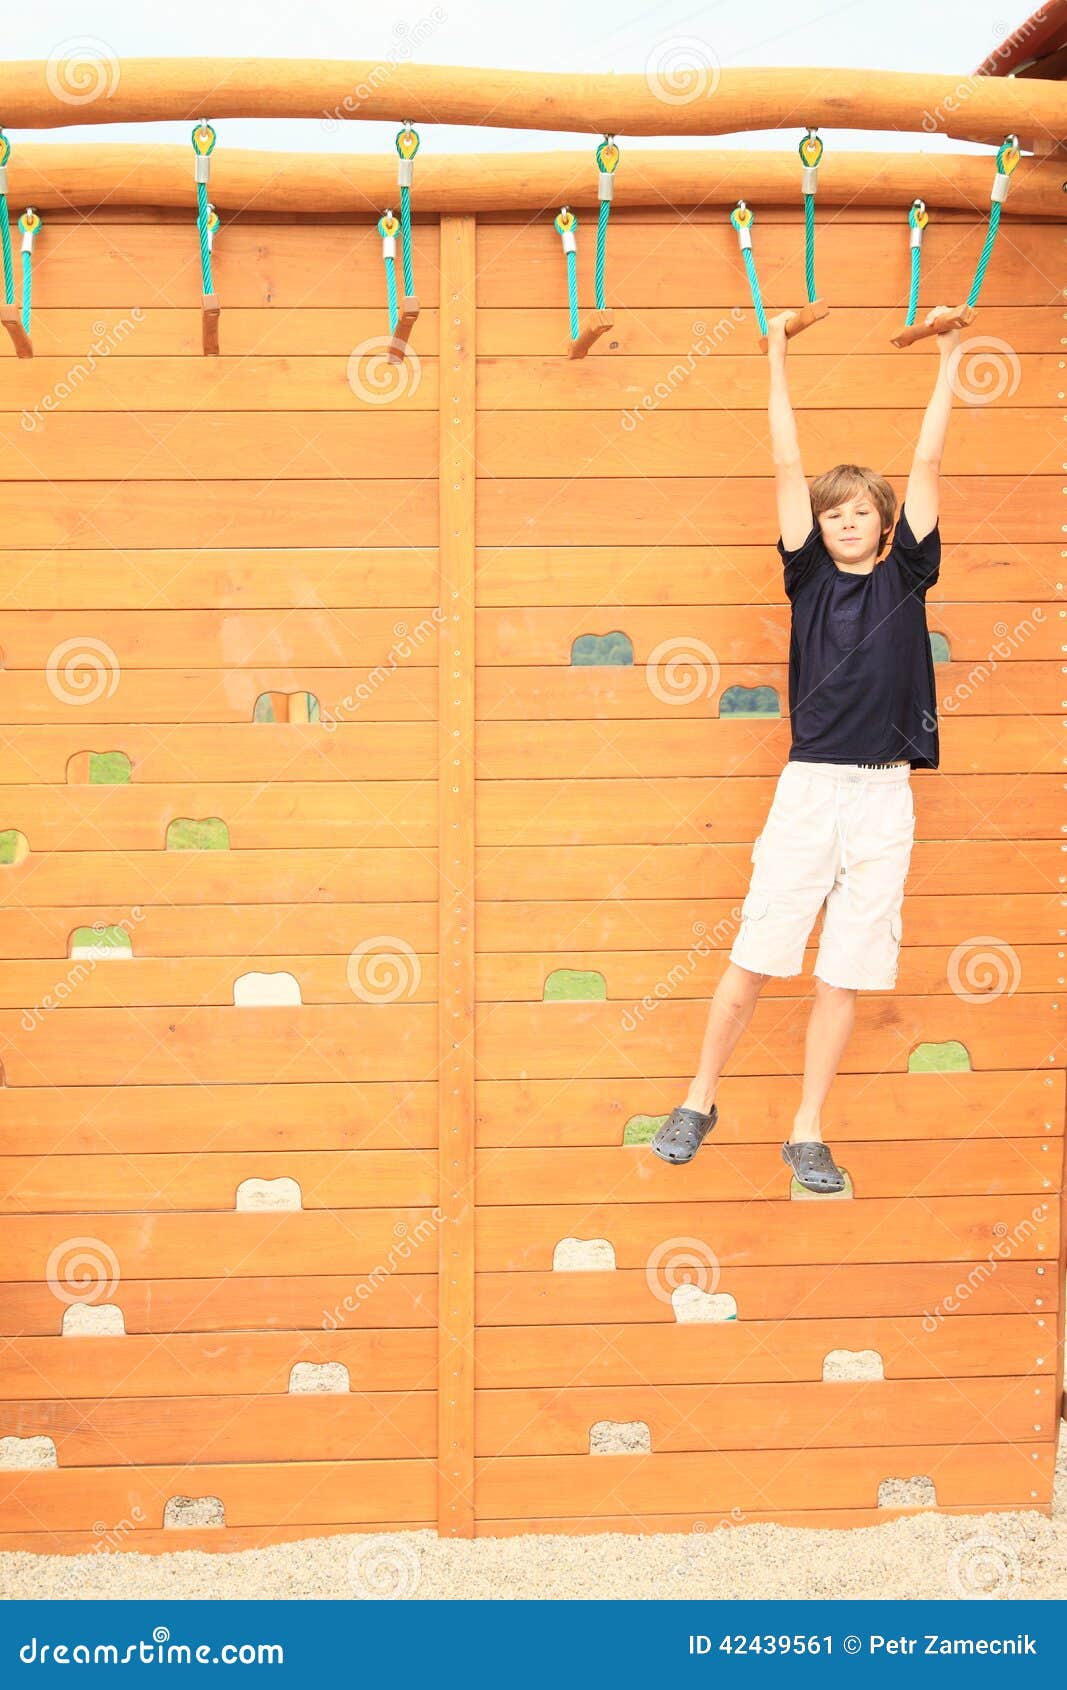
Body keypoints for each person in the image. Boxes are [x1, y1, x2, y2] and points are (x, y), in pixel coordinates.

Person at [652, 304, 959, 1191]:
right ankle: (699, 1097)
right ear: (818, 528)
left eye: (862, 512)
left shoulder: (909, 570)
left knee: (845, 971)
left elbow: (930, 460)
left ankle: (806, 1130)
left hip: (883, 796)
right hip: (811, 788)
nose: (847, 523)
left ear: (885, 521)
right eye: (835, 515)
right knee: (758, 951)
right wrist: (776, 352)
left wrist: (947, 355)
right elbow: (786, 460)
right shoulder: (808, 576)